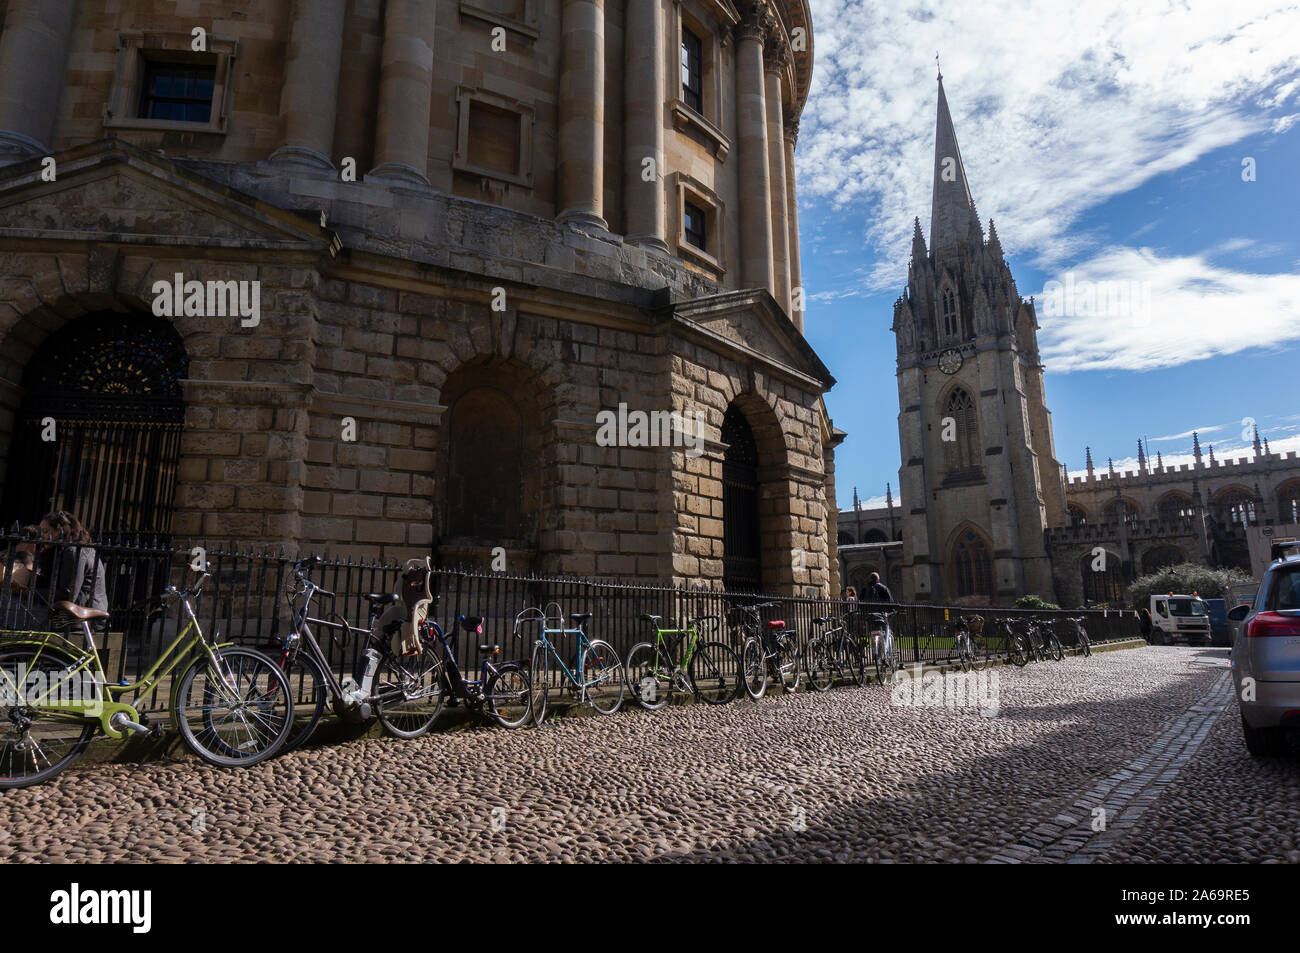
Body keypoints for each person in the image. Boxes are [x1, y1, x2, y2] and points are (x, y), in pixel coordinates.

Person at [34, 511, 108, 636]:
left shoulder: (73, 552)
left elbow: (68, 594)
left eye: (46, 531)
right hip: (74, 612)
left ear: (61, 531)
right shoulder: (63, 551)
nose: (42, 536)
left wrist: (30, 591)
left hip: (83, 617)